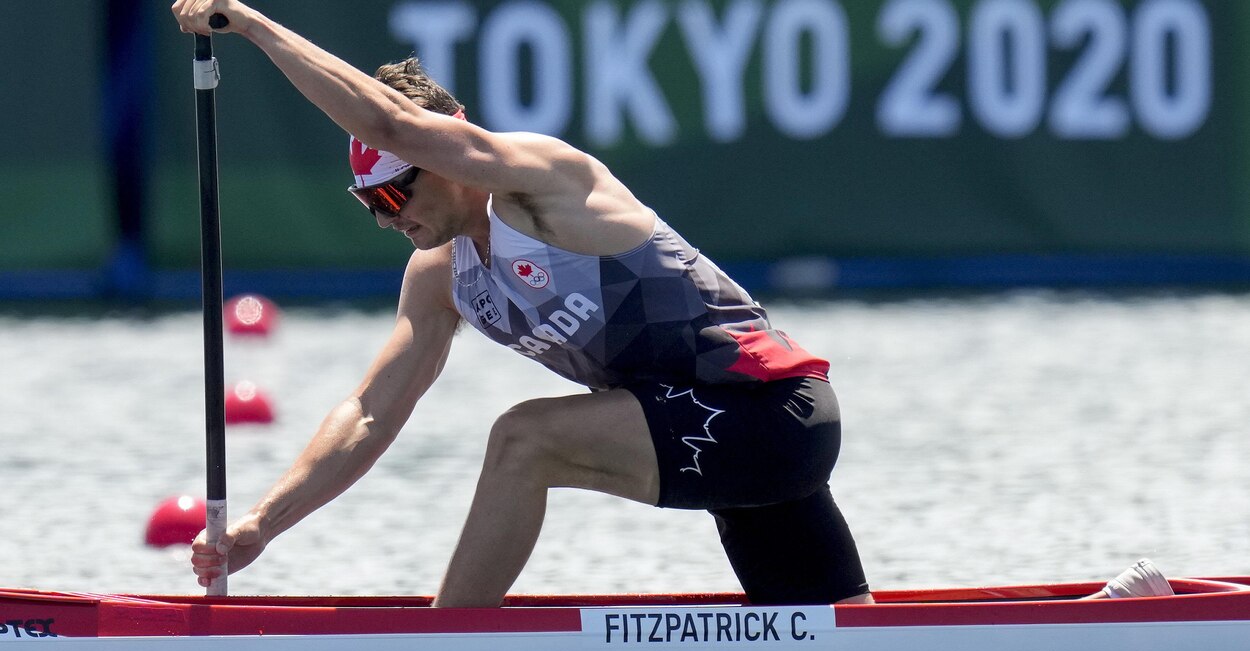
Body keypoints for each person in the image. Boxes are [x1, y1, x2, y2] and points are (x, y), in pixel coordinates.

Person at [174, 0, 873, 608]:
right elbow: (369, 413)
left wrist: (253, 25)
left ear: (446, 155)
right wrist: (262, 523)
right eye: (368, 205)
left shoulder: (542, 187)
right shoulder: (439, 276)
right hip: (714, 441)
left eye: (393, 194)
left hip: (771, 413)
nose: (387, 219)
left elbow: (395, 126)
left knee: (523, 439)